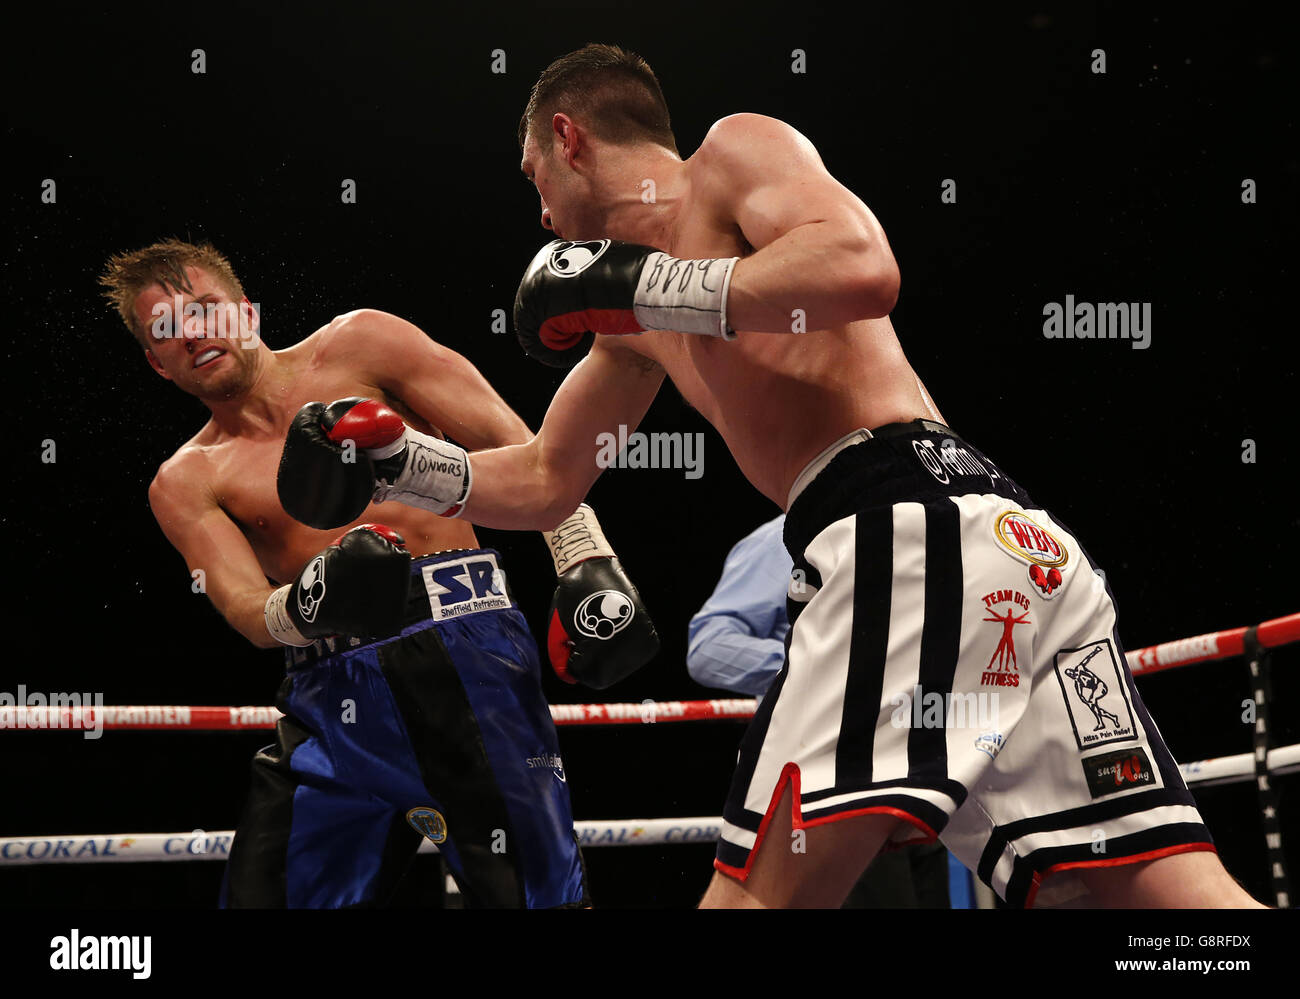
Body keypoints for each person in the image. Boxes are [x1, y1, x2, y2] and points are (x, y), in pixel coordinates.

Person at [277, 45, 1262, 909]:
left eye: (534, 174)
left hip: (905, 527)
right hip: (998, 552)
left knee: (756, 894)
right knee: (1137, 890)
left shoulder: (733, 155)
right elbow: (545, 482)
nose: (537, 213)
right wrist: (396, 464)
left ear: (569, 136)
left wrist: (652, 283)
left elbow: (861, 267)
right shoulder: (633, 329)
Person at [100, 238, 658, 908]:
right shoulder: (185, 480)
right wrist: (308, 603)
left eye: (206, 309)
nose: (193, 333)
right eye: (166, 328)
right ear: (155, 361)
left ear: (245, 311)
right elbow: (248, 609)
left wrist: (584, 557)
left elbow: (523, 450)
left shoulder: (362, 344)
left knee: (536, 899)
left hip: (465, 656)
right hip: (325, 699)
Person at [687, 514, 955, 909]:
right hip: (833, 771)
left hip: (920, 767)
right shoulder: (787, 536)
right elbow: (708, 647)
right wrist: (823, 667)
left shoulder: (913, 527)